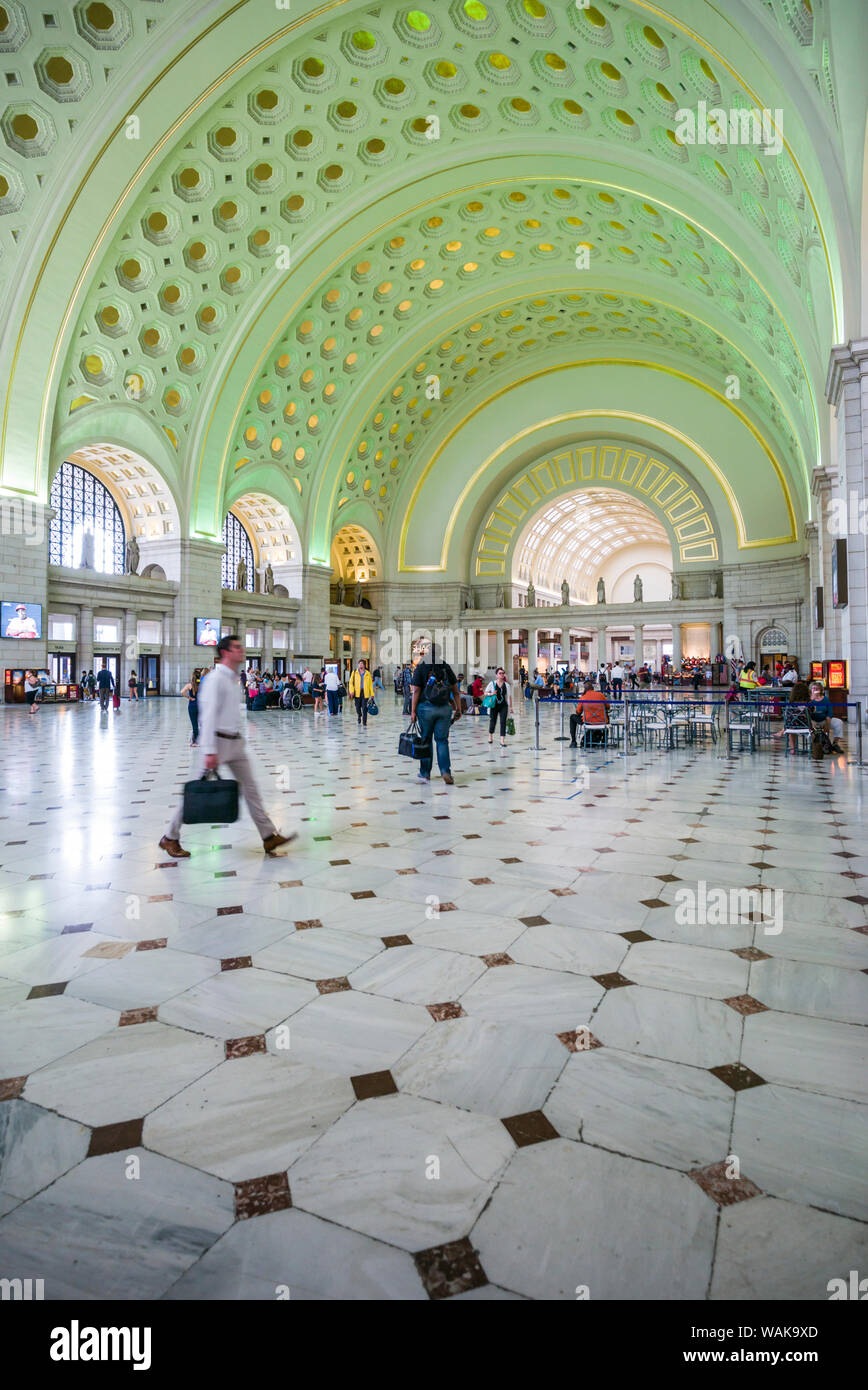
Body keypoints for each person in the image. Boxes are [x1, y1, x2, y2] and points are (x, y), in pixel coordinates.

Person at [160, 635, 294, 858]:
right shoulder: (215, 679)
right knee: (196, 790)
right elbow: (209, 714)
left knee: (251, 790)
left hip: (234, 743)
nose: (242, 650)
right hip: (217, 743)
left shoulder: (233, 679)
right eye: (237, 647)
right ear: (225, 653)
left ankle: (269, 836)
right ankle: (170, 837)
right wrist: (210, 750)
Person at [411, 642, 461, 784]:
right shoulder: (445, 666)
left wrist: (413, 711)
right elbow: (455, 690)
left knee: (426, 739)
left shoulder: (421, 666)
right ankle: (445, 771)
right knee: (442, 741)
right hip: (444, 708)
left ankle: (425, 773)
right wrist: (459, 708)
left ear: (428, 652)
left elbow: (416, 691)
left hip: (425, 708)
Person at [808, 681, 844, 753]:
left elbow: (830, 712)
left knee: (838, 722)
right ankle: (814, 745)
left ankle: (835, 743)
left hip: (824, 720)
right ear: (810, 690)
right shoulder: (808, 699)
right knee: (810, 728)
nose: (815, 690)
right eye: (813, 688)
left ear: (820, 690)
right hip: (813, 721)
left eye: (817, 688)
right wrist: (811, 700)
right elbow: (807, 712)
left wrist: (827, 722)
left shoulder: (825, 699)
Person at [569, 681, 608, 747]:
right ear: (593, 688)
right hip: (602, 721)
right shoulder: (601, 695)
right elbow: (608, 707)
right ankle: (604, 741)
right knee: (607, 717)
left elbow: (578, 712)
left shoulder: (583, 697)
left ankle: (573, 741)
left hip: (588, 722)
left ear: (585, 689)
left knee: (572, 717)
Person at [484, 667, 512, 748]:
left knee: (503, 722)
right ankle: (490, 736)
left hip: (503, 705)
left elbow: (509, 696)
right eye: (500, 673)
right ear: (496, 675)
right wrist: (491, 693)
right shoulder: (492, 683)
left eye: (503, 673)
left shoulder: (507, 685)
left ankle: (502, 741)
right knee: (493, 721)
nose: (502, 675)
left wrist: (511, 707)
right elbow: (485, 693)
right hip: (494, 705)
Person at [348, 659, 374, 727]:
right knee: (357, 708)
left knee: (364, 707)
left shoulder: (368, 673)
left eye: (362, 663)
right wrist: (351, 691)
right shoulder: (354, 672)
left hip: (365, 693)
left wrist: (372, 694)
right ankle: (359, 715)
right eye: (359, 664)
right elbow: (350, 683)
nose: (360, 665)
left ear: (364, 665)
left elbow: (370, 684)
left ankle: (364, 722)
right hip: (357, 693)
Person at [180, 669, 202, 746]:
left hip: (192, 705)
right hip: (201, 705)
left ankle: (195, 742)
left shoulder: (189, 685)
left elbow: (182, 692)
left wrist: (189, 697)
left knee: (194, 724)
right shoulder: (203, 684)